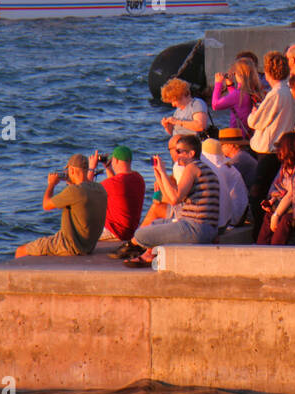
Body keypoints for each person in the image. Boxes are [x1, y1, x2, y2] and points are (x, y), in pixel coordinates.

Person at [126, 135, 219, 266]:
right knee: (154, 224)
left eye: (179, 151)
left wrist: (163, 172)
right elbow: (170, 198)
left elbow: (175, 199)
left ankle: (150, 254)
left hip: (196, 228)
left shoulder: (192, 168)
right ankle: (149, 255)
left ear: (191, 153)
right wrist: (158, 175)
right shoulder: (203, 168)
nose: (176, 155)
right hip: (205, 228)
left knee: (141, 235)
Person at [16, 154, 108, 257]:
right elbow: (82, 197)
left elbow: (46, 205)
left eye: (68, 170)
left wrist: (51, 184)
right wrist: (72, 183)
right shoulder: (100, 189)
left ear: (72, 170)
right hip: (89, 246)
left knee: (21, 251)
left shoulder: (74, 191)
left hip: (69, 245)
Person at [247, 51, 295, 228]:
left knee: (258, 193)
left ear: (268, 72)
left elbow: (256, 122)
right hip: (283, 148)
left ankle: (259, 231)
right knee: (274, 192)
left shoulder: (276, 93)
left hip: (268, 150)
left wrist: (253, 113)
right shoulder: (290, 91)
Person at [88, 145, 145, 244]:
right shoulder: (139, 178)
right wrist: (108, 169)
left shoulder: (113, 183)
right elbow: (117, 188)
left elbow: (85, 190)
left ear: (116, 161)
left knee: (79, 234)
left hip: (115, 232)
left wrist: (91, 168)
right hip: (131, 231)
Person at [212, 57, 262, 136]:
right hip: (250, 135)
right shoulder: (254, 90)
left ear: (238, 74)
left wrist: (218, 84)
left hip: (237, 136)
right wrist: (230, 85)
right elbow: (238, 103)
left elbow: (215, 105)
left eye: (234, 73)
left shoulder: (238, 94)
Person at [159, 78, 210, 150]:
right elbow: (174, 132)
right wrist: (167, 126)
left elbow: (200, 126)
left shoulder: (196, 104)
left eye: (174, 101)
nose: (173, 105)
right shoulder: (178, 111)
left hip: (193, 146)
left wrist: (177, 122)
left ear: (181, 96)